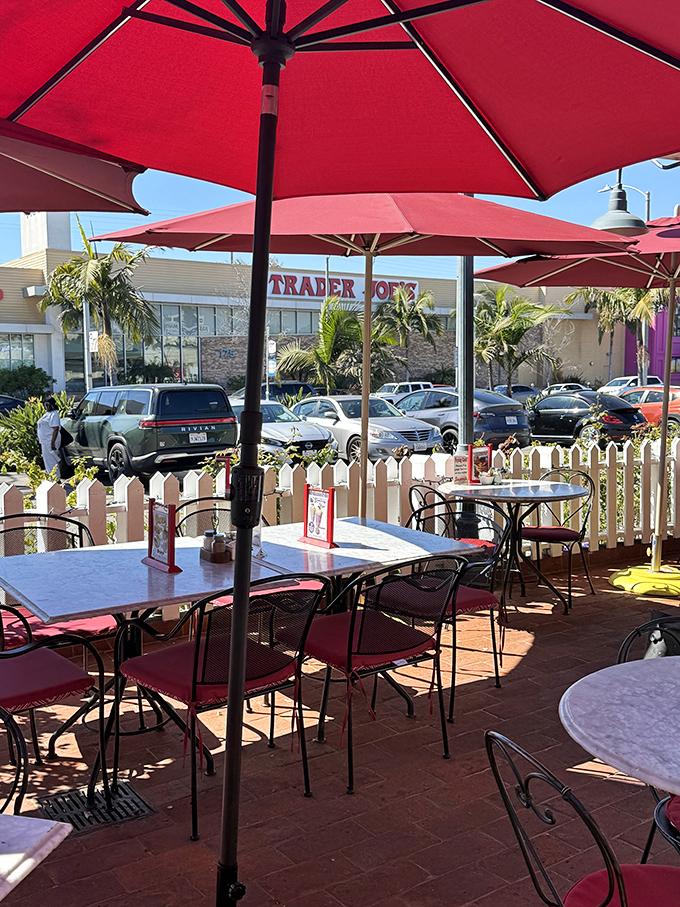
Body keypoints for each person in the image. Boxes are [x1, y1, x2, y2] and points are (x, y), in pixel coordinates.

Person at [37, 397, 61, 479]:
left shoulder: (54, 414)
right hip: (45, 440)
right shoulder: (47, 414)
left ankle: (55, 477)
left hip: (50, 440)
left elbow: (56, 428)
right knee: (47, 460)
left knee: (52, 460)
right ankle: (51, 476)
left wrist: (52, 443)